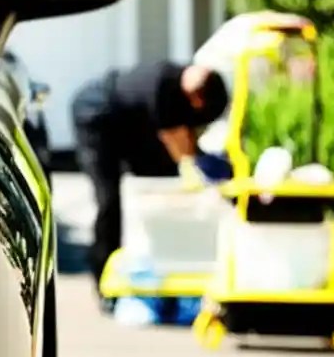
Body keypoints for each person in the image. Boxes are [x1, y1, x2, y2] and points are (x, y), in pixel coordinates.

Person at [71, 60, 232, 311]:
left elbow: (182, 140)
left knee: (160, 184)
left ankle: (160, 271)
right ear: (197, 99)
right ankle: (104, 282)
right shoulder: (164, 88)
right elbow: (180, 146)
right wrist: (205, 165)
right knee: (109, 202)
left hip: (131, 124)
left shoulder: (184, 84)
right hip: (96, 116)